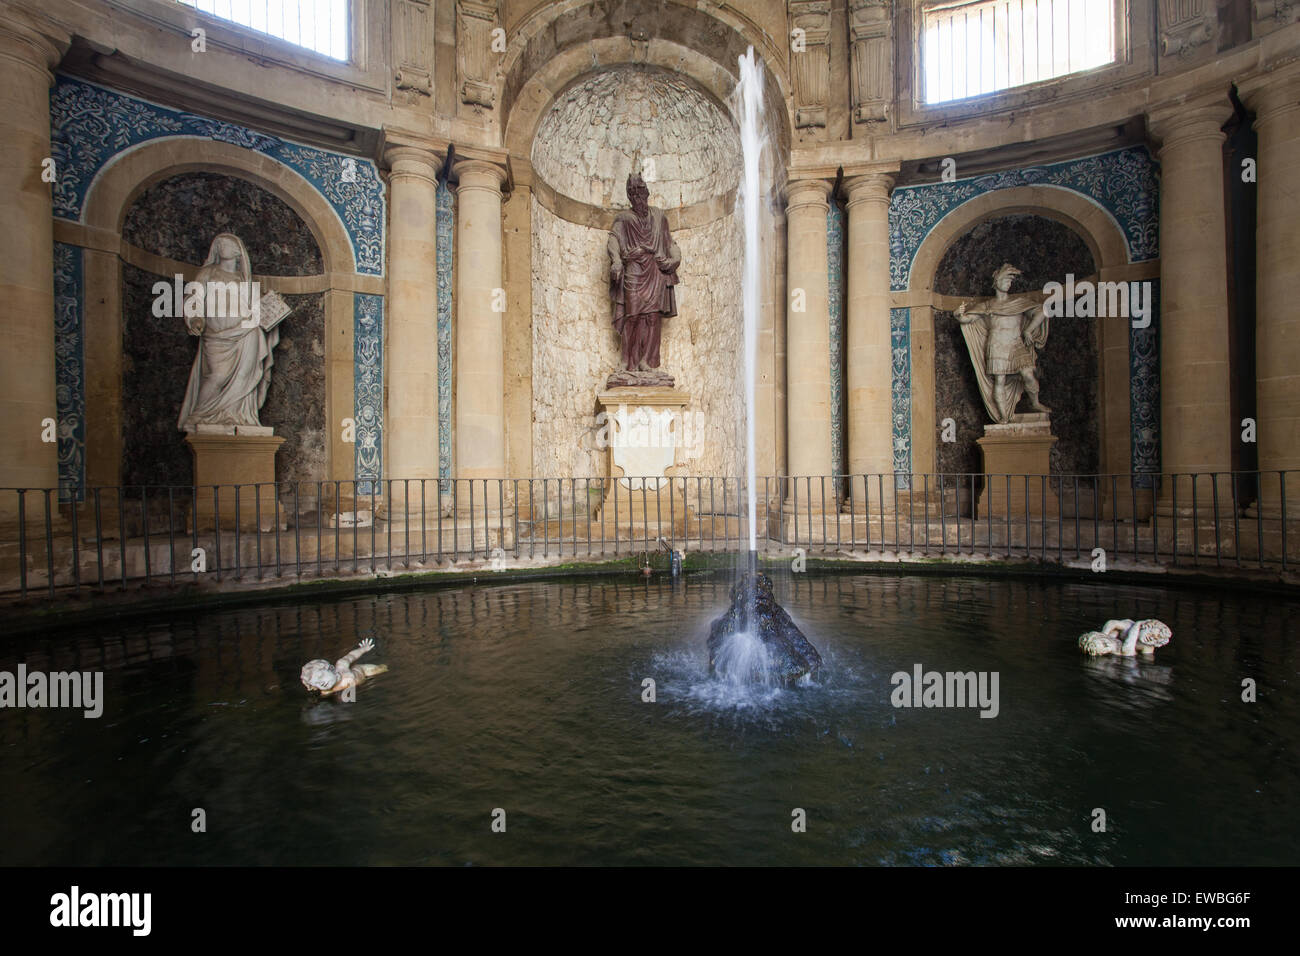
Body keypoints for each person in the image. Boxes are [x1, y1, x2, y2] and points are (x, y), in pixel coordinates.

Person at [954, 263, 1050, 423]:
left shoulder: (1018, 303)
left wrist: (1028, 330)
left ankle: (1035, 402)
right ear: (996, 282)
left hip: (1016, 344)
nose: (1008, 283)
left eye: (1010, 282)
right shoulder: (987, 305)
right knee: (999, 380)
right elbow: (967, 319)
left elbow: (1041, 312)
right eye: (1005, 280)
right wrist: (958, 315)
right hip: (996, 346)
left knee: (1028, 374)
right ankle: (1003, 416)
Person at [607, 173, 681, 371]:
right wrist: (616, 261)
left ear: (647, 192)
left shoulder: (659, 216)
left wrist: (676, 258)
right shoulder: (623, 218)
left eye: (641, 192)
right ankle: (626, 361)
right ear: (629, 197)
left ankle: (646, 361)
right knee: (632, 316)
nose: (638, 196)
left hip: (655, 270)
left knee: (652, 318)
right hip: (633, 269)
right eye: (633, 193)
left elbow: (670, 242)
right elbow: (613, 239)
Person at [300, 638, 387, 696]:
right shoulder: (327, 691)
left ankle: (385, 666)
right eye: (317, 683)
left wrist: (364, 649)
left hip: (363, 671)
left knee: (381, 669)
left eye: (321, 676)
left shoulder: (342, 666)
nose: (321, 683)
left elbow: (351, 656)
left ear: (330, 669)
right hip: (357, 688)